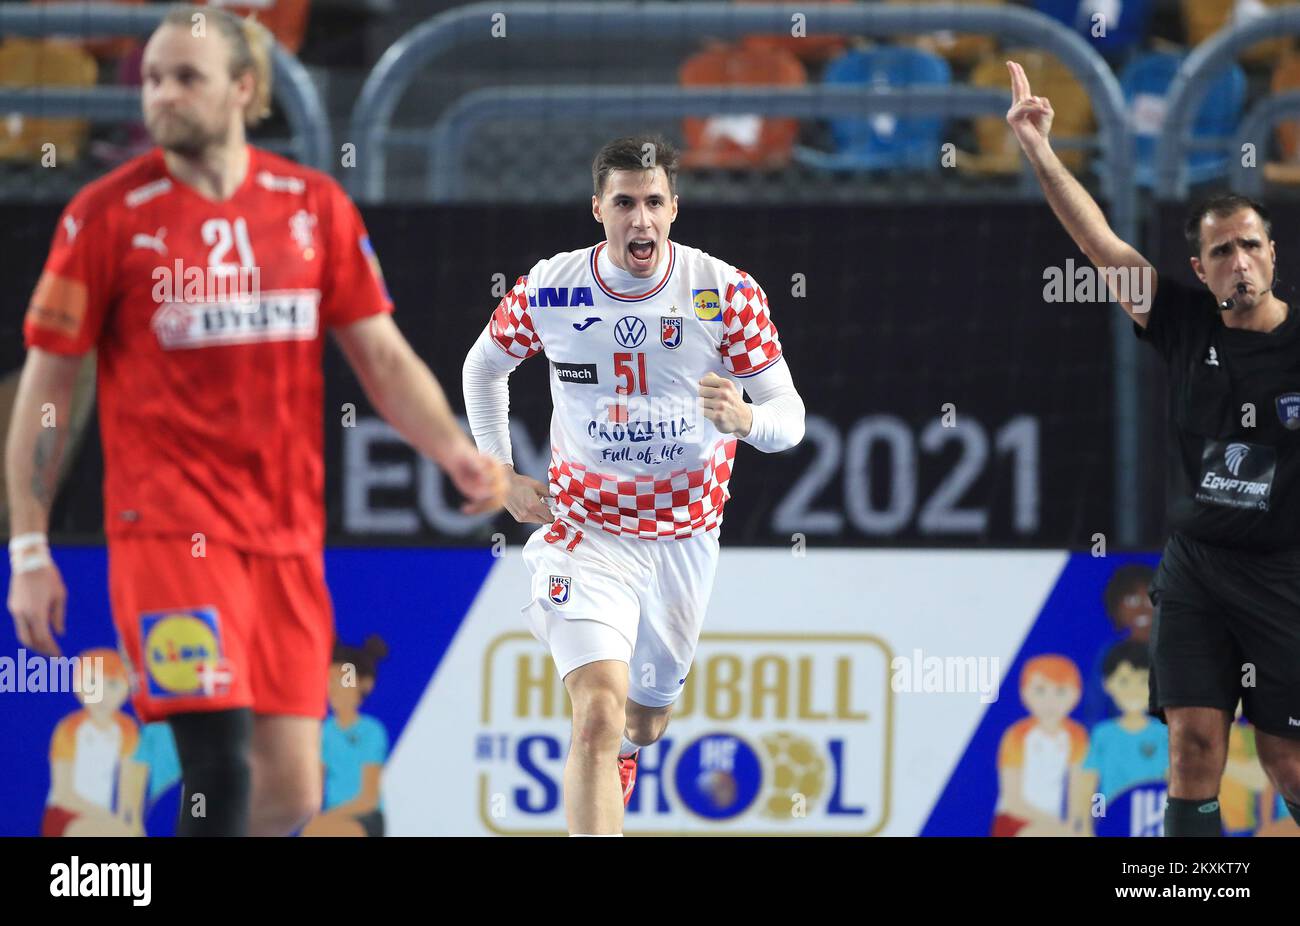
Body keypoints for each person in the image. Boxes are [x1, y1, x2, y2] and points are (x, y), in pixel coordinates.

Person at [6, 6, 504, 837]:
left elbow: (379, 356)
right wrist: (28, 543)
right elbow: (47, 388)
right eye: (153, 77)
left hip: (283, 535)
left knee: (292, 792)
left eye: (186, 77)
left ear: (245, 88)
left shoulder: (312, 207)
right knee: (217, 765)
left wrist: (454, 451)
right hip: (167, 536)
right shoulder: (104, 216)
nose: (161, 94)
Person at [462, 134, 805, 835]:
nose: (639, 219)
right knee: (596, 712)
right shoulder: (553, 286)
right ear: (599, 209)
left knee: (643, 725)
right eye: (624, 203)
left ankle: (627, 752)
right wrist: (500, 474)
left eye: (653, 202)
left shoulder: (723, 291)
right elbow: (483, 369)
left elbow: (790, 417)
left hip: (684, 537)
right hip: (584, 533)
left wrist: (747, 419)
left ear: (674, 208)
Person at [1006, 58, 1300, 836]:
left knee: (1287, 762)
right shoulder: (1181, 323)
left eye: (1250, 246)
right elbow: (1097, 239)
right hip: (1199, 567)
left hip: (1288, 573)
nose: (1238, 261)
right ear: (1200, 271)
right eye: (1221, 253)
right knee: (1194, 743)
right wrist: (1039, 149)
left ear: (1273, 255)